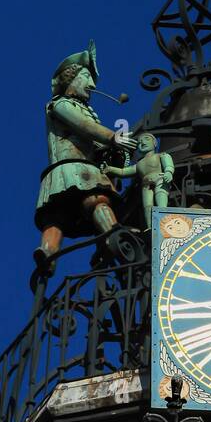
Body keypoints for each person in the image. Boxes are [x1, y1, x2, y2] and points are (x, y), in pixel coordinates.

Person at [34, 42, 135, 273]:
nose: (91, 85)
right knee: (96, 200)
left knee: (57, 217)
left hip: (75, 170)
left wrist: (116, 151)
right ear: (71, 79)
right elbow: (85, 127)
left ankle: (48, 254)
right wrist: (113, 137)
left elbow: (97, 144)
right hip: (73, 169)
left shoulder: (82, 108)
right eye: (86, 77)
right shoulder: (60, 105)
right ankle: (113, 233)